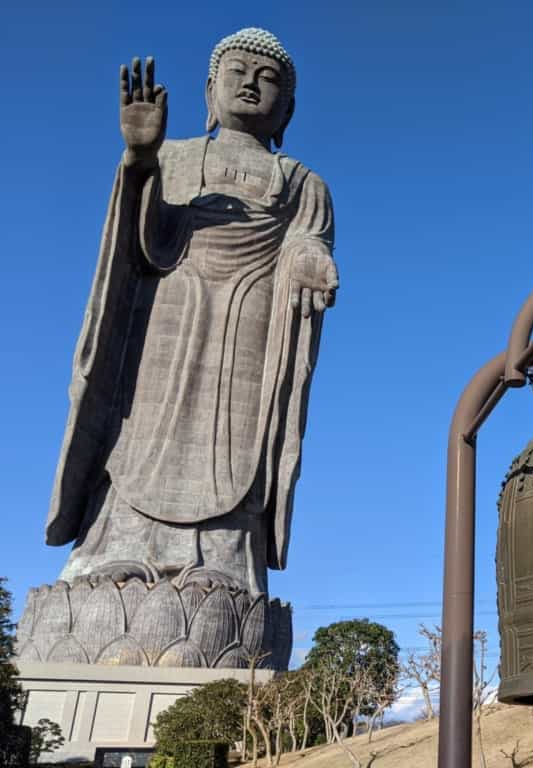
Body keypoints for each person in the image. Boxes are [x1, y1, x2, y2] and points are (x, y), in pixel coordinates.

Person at [46, 28, 338, 596]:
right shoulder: (174, 156)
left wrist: (309, 256)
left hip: (253, 311)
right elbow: (144, 241)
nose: (252, 83)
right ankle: (116, 547)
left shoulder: (303, 182)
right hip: (168, 304)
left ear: (289, 106)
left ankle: (225, 560)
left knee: (237, 430)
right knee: (138, 426)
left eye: (268, 77)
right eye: (238, 72)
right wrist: (138, 160)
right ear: (210, 89)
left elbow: (308, 237)